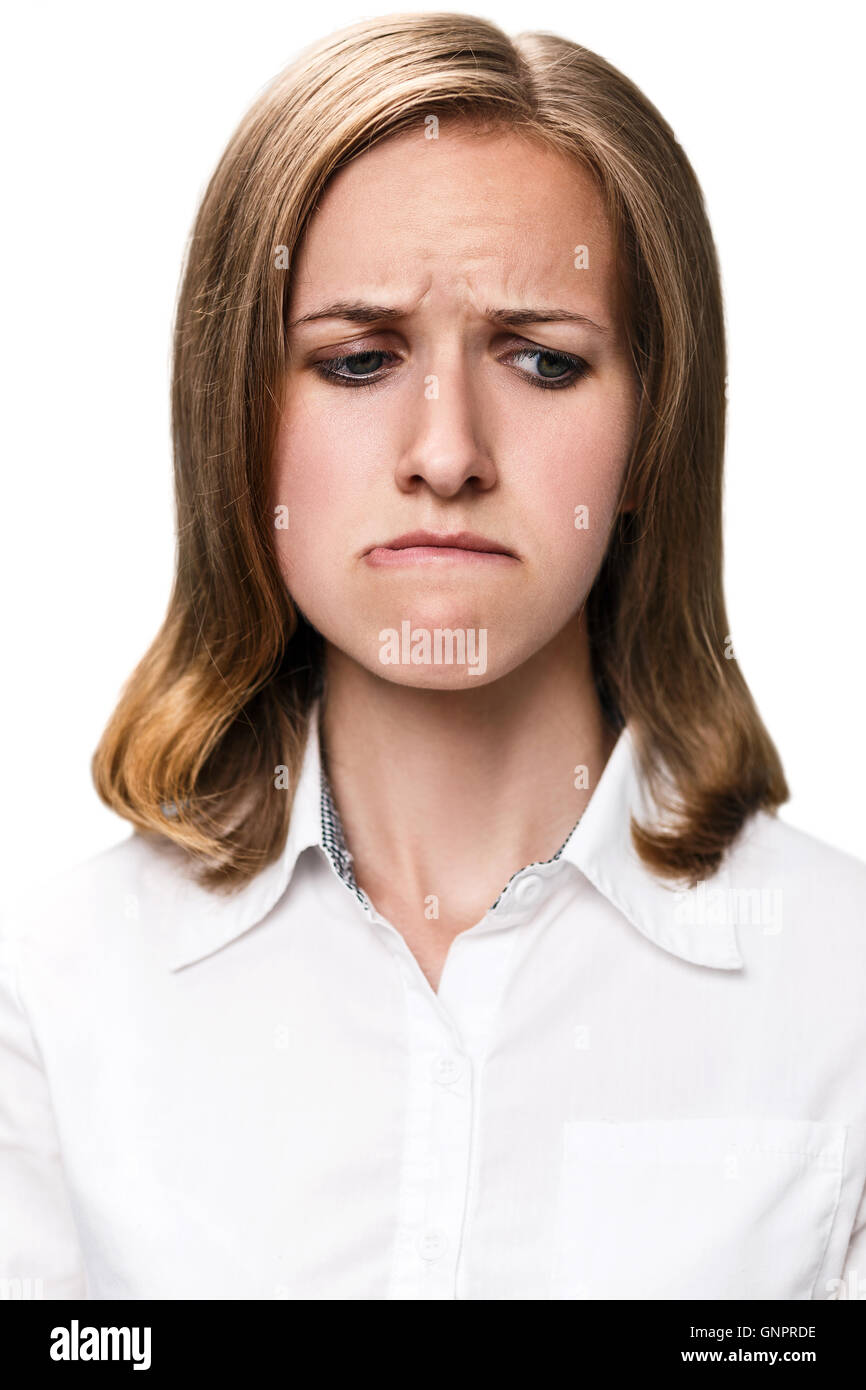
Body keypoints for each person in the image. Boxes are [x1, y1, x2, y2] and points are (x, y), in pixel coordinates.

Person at [2, 12, 864, 1302]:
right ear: (237, 419)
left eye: (544, 360)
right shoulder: (54, 992)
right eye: (357, 360)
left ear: (653, 433)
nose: (447, 453)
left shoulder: (839, 988)